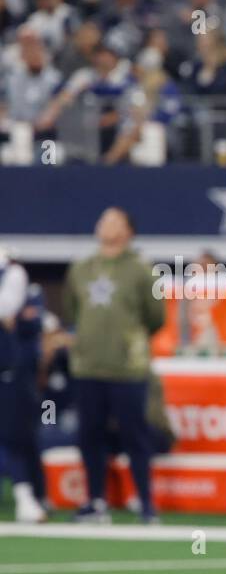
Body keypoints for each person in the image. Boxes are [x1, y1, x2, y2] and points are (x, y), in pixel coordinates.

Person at [63, 207, 164, 524]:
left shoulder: (141, 270)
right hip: (88, 365)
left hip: (127, 368)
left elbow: (155, 316)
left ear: (128, 231)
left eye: (114, 221)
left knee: (136, 435)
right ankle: (95, 501)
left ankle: (146, 502)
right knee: (89, 436)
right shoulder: (81, 268)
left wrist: (129, 342)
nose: (106, 225)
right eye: (103, 219)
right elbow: (71, 310)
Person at [0, 248, 45, 523]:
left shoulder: (12, 273)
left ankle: (26, 494)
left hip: (7, 371)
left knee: (12, 436)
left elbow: (6, 306)